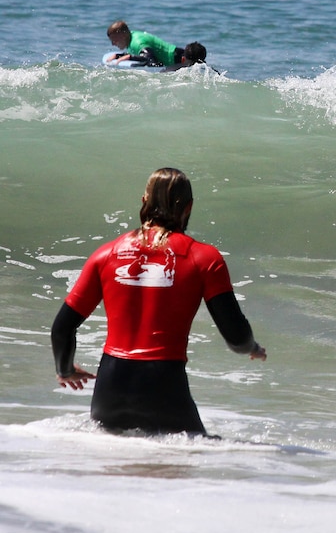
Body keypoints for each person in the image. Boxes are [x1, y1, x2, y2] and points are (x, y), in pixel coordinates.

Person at [50, 168, 267, 436]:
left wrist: (65, 368)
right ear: (188, 208)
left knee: (118, 470)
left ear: (143, 202)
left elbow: (62, 327)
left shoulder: (105, 254)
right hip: (164, 388)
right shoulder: (204, 258)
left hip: (110, 392)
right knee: (193, 460)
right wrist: (252, 347)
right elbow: (236, 336)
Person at [105, 21, 207, 69]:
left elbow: (151, 60)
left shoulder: (137, 42)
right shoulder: (131, 36)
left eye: (114, 40)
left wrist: (130, 58)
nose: (113, 44)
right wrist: (119, 56)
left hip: (179, 59)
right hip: (177, 55)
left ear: (123, 35)